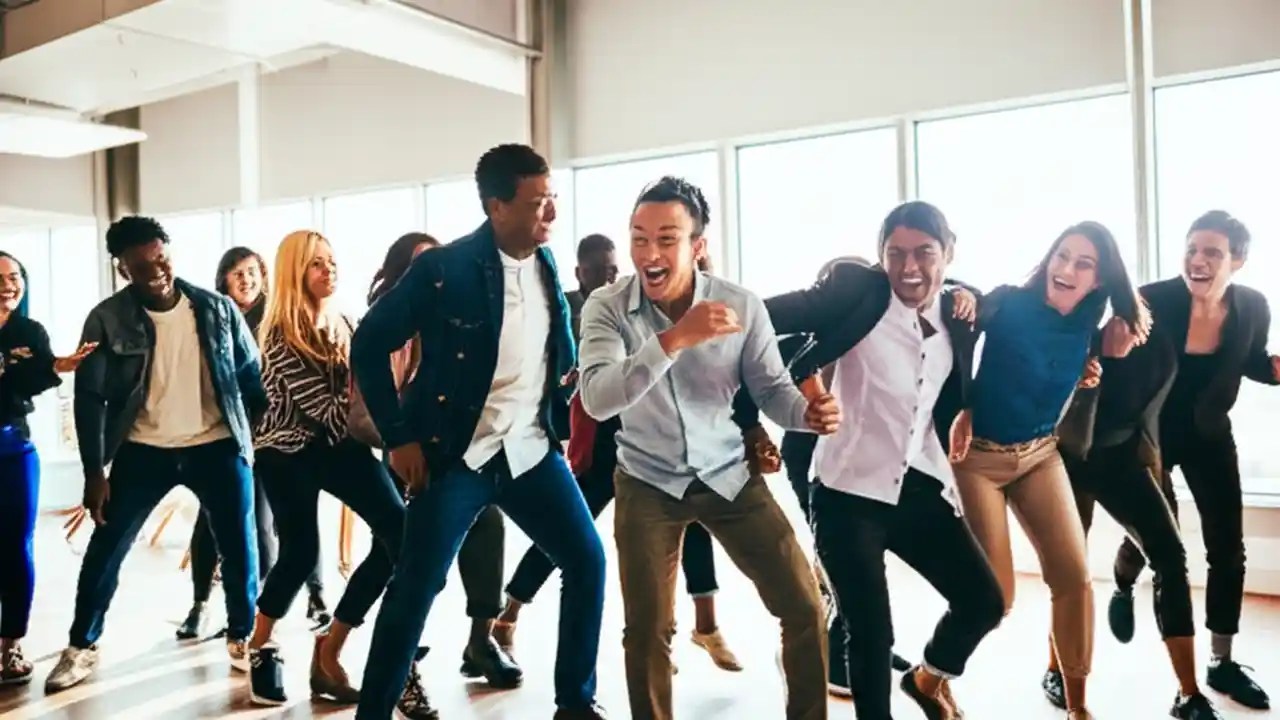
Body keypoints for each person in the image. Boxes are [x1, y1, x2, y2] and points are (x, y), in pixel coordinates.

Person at [353, 144, 608, 720]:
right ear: (496, 205)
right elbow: (368, 345)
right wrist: (398, 437)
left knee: (586, 560)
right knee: (416, 587)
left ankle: (575, 704)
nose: (550, 214)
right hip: (455, 458)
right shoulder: (443, 270)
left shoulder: (545, 264)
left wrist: (561, 423)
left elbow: (551, 360)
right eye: (536, 202)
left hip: (530, 452)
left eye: (553, 200)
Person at [577, 176, 840, 720]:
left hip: (728, 473)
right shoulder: (605, 307)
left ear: (697, 246)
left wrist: (806, 416)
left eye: (666, 239)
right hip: (647, 480)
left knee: (804, 605)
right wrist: (673, 340)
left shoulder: (739, 305)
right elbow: (599, 399)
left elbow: (771, 391)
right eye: (639, 238)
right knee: (647, 630)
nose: (650, 253)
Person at [761, 202, 1000, 720]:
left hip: (915, 484)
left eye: (924, 253)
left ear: (948, 253)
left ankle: (927, 678)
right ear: (880, 257)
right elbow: (771, 319)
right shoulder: (862, 297)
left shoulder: (958, 314)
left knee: (984, 601)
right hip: (846, 491)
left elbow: (985, 322)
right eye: (896, 254)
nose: (909, 267)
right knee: (870, 637)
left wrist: (966, 412)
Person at [496, 236, 747, 674]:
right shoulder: (567, 309)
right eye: (597, 270)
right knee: (569, 531)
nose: (607, 277)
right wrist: (568, 379)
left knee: (688, 523)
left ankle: (700, 625)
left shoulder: (631, 304)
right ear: (579, 273)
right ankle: (509, 613)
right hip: (599, 444)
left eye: (612, 270)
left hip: (648, 436)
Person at [45, 216, 266, 693]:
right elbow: (90, 398)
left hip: (217, 446)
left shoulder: (217, 309)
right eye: (140, 266)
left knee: (240, 546)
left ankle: (242, 635)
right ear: (122, 269)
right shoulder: (106, 318)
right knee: (106, 548)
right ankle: (81, 646)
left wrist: (250, 445)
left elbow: (252, 379)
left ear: (169, 250)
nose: (155, 271)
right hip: (143, 451)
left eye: (160, 258)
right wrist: (94, 471)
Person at [948, 220, 1151, 720]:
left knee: (1075, 578)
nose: (1067, 269)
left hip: (1040, 454)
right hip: (978, 460)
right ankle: (930, 676)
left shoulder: (1091, 317)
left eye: (1084, 264)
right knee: (997, 598)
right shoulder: (1010, 303)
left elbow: (1104, 345)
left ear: (1099, 280)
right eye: (1062, 256)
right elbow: (959, 312)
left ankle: (1078, 707)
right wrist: (963, 405)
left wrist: (1099, 354)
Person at [1108, 210, 1276, 711]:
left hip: (1209, 438)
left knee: (1228, 548)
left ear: (1238, 261)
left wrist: (1273, 370)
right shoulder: (1153, 300)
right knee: (1160, 543)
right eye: (1192, 249)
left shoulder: (1252, 306)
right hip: (1152, 437)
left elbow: (1250, 358)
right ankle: (1122, 582)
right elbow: (1120, 364)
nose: (1198, 260)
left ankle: (1221, 661)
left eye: (1212, 253)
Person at [244, 230, 408, 707]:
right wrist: (389, 427)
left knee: (399, 529)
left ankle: (332, 646)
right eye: (316, 263)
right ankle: (259, 644)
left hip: (338, 445)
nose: (328, 270)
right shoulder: (277, 335)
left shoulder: (345, 323)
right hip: (286, 449)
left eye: (332, 262)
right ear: (296, 272)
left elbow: (364, 397)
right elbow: (332, 408)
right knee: (300, 551)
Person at [1049, 298, 1223, 719]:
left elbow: (1152, 411)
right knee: (1070, 571)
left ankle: (1188, 694)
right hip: (1066, 462)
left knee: (1171, 555)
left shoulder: (1158, 345)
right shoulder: (1071, 339)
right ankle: (1056, 668)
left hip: (1123, 459)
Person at [773, 254, 913, 699]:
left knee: (863, 564)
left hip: (863, 464)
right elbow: (770, 353)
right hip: (810, 456)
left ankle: (865, 640)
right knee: (838, 560)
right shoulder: (813, 341)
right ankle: (839, 649)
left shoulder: (886, 327)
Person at [178, 246, 331, 640]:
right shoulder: (211, 318)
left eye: (251, 271)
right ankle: (200, 606)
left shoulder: (276, 315)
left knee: (278, 523)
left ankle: (304, 600)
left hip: (272, 434)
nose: (246, 279)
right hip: (228, 433)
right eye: (236, 273)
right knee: (209, 523)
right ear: (224, 280)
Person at [0, 251, 96, 685]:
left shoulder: (28, 331)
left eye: (15, 276)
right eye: (0, 277)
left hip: (13, 447)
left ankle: (10, 646)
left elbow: (37, 374)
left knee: (17, 546)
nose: (9, 285)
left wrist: (62, 364)